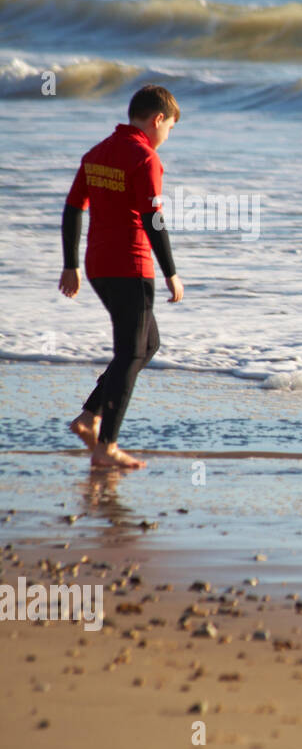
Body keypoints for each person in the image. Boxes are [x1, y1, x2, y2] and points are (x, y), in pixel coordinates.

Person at [59, 84, 184, 469]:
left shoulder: (96, 154)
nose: (167, 137)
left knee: (146, 345)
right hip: (131, 267)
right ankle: (106, 446)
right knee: (131, 352)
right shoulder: (145, 159)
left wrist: (71, 264)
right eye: (170, 128)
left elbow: (72, 208)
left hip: (98, 266)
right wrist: (172, 273)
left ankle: (88, 418)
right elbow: (153, 219)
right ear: (157, 119)